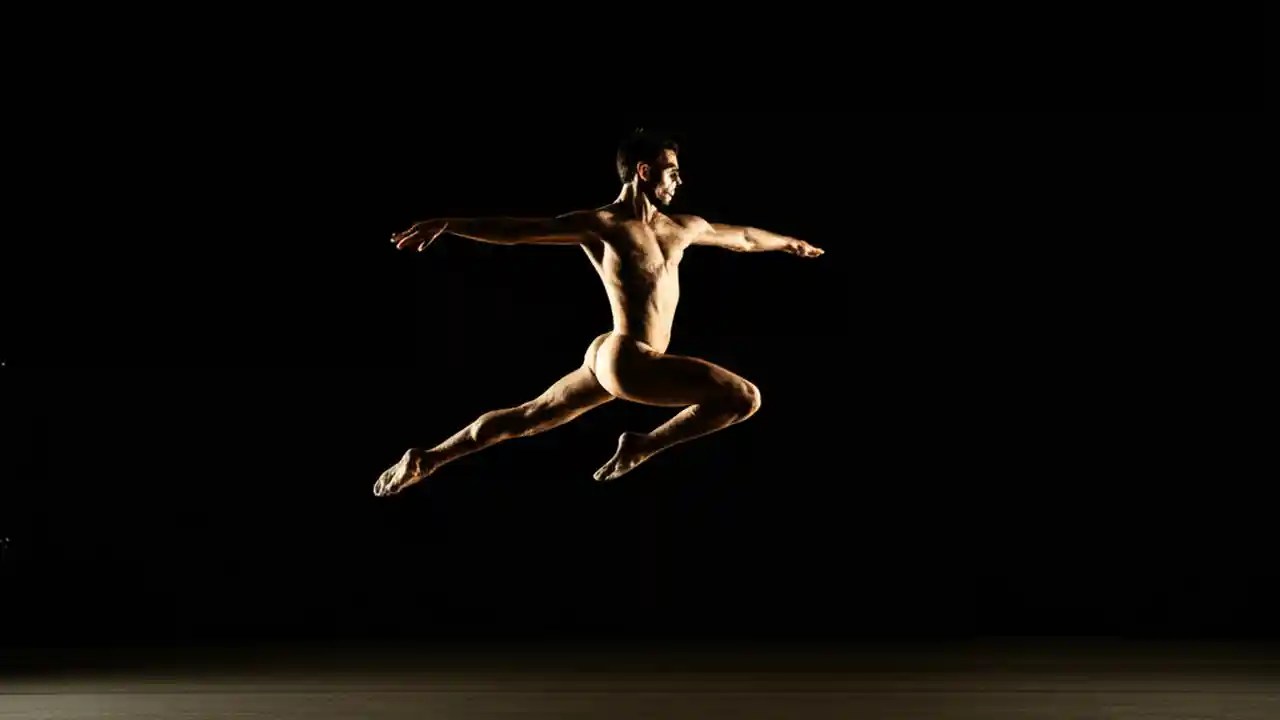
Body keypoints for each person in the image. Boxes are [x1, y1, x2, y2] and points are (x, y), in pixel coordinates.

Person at [374, 129, 823, 497]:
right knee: (743, 398)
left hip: (609, 355)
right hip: (629, 358)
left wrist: (791, 243)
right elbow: (519, 231)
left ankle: (426, 458)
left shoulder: (682, 228)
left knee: (526, 418)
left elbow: (744, 237)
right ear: (644, 172)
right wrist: (451, 224)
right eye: (672, 172)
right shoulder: (603, 224)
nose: (678, 181)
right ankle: (643, 444)